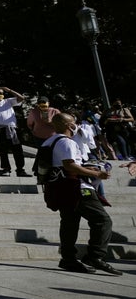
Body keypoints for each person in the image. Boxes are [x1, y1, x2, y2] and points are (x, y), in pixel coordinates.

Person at [42, 113, 120, 275]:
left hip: (59, 188)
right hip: (75, 187)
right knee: (102, 220)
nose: (76, 124)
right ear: (68, 125)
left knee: (69, 223)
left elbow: (66, 165)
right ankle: (95, 256)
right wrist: (96, 174)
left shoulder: (50, 141)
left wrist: (86, 168)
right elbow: (70, 165)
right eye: (73, 122)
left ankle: (68, 259)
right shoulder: (66, 142)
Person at [0, 86, 28, 176]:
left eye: (2, 93)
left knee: (17, 149)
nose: (0, 95)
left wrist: (9, 90)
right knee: (3, 150)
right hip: (0, 129)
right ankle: (6, 169)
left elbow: (21, 98)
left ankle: (20, 169)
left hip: (12, 128)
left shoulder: (8, 101)